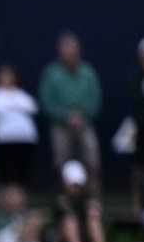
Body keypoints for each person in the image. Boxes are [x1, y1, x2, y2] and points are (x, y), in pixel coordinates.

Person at [40, 33, 103, 189]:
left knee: (92, 161)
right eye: (66, 48)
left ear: (78, 50)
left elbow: (95, 98)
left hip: (85, 123)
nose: (69, 52)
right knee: (62, 163)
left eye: (72, 48)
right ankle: (65, 199)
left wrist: (81, 116)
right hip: (60, 125)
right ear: (59, 50)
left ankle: (93, 199)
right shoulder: (51, 73)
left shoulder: (88, 72)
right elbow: (46, 100)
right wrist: (64, 116)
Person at [0, 63, 41, 210]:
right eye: (3, 76)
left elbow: (33, 107)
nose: (7, 79)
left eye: (9, 76)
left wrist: (12, 103)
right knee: (4, 175)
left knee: (21, 175)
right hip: (4, 140)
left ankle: (19, 205)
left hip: (25, 139)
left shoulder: (21, 94)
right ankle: (1, 206)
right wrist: (17, 105)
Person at [54, 159, 110, 242]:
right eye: (72, 184)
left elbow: (95, 209)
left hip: (84, 234)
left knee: (93, 219)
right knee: (70, 221)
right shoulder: (59, 197)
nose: (75, 187)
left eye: (77, 184)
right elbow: (63, 216)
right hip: (63, 236)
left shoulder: (87, 196)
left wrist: (95, 209)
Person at [131, 37, 144, 242]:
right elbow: (139, 103)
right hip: (143, 128)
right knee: (139, 167)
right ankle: (137, 203)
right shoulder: (137, 79)